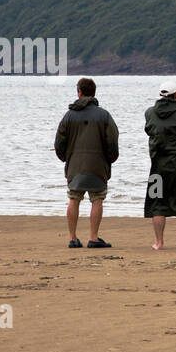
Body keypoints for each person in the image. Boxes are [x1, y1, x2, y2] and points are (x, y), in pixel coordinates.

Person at [54, 77, 119, 248]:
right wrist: (110, 159)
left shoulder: (69, 115)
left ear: (79, 92)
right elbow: (112, 141)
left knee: (74, 199)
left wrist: (66, 158)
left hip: (75, 165)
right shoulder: (104, 115)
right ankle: (93, 237)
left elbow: (59, 143)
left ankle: (73, 238)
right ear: (93, 93)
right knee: (97, 199)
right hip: (98, 165)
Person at [144, 85, 176, 250]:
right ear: (175, 95)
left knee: (157, 202)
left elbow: (149, 130)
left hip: (157, 164)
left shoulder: (149, 112)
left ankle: (159, 242)